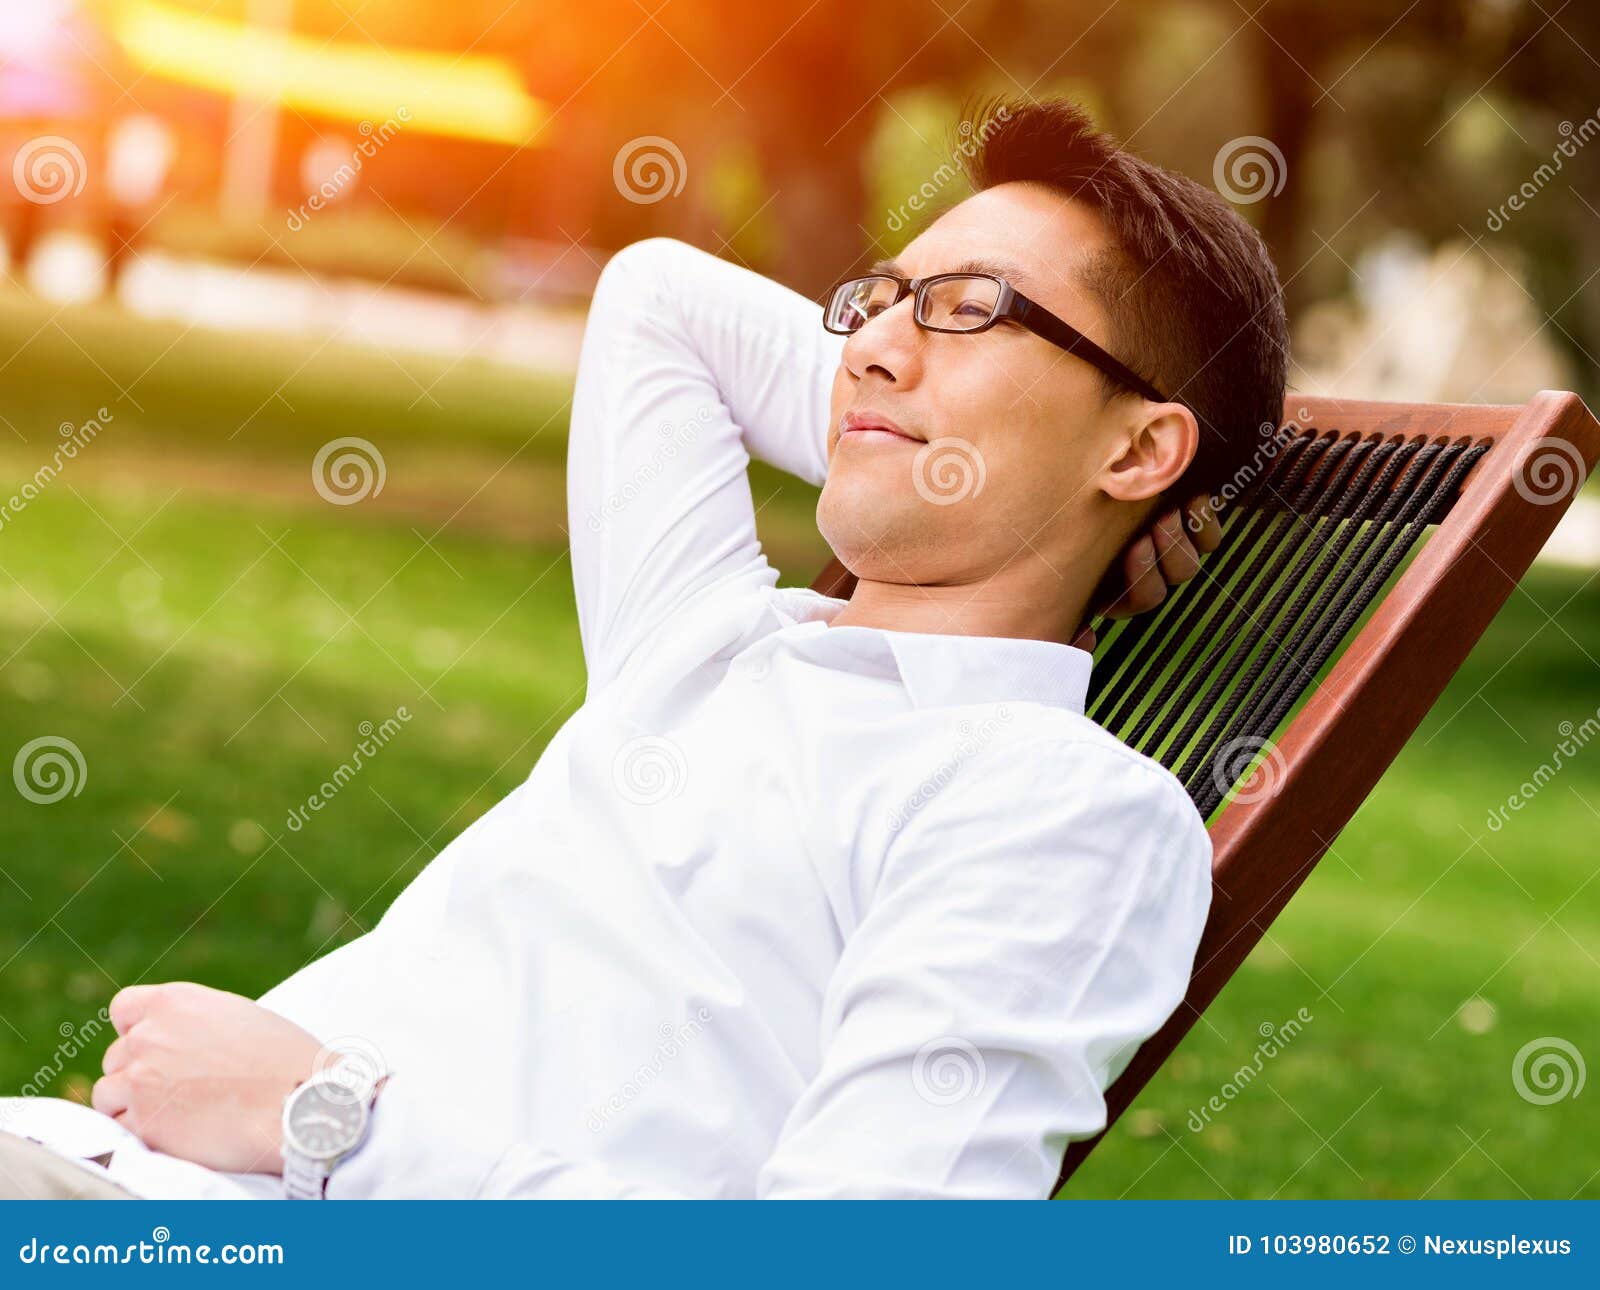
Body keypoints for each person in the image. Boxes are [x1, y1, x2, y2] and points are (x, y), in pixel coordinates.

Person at [5, 98, 1287, 1200]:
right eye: (880, 298)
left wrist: (325, 1119)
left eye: (969, 309)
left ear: (1140, 444)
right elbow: (658, 299)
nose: (871, 347)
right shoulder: (711, 637)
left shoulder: (1057, 807)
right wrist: (948, 444)